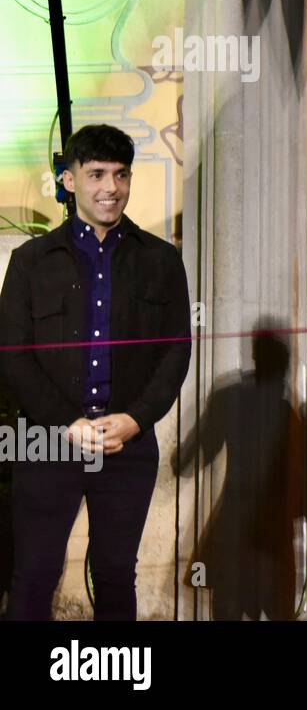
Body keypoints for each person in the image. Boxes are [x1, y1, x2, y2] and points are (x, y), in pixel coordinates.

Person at [0, 124, 191, 620]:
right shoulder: (30, 262)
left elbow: (174, 352)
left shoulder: (162, 260)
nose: (111, 187)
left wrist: (135, 419)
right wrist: (68, 422)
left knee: (113, 574)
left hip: (126, 443)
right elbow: (14, 355)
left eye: (121, 174)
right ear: (68, 180)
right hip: (46, 441)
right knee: (35, 573)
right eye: (96, 174)